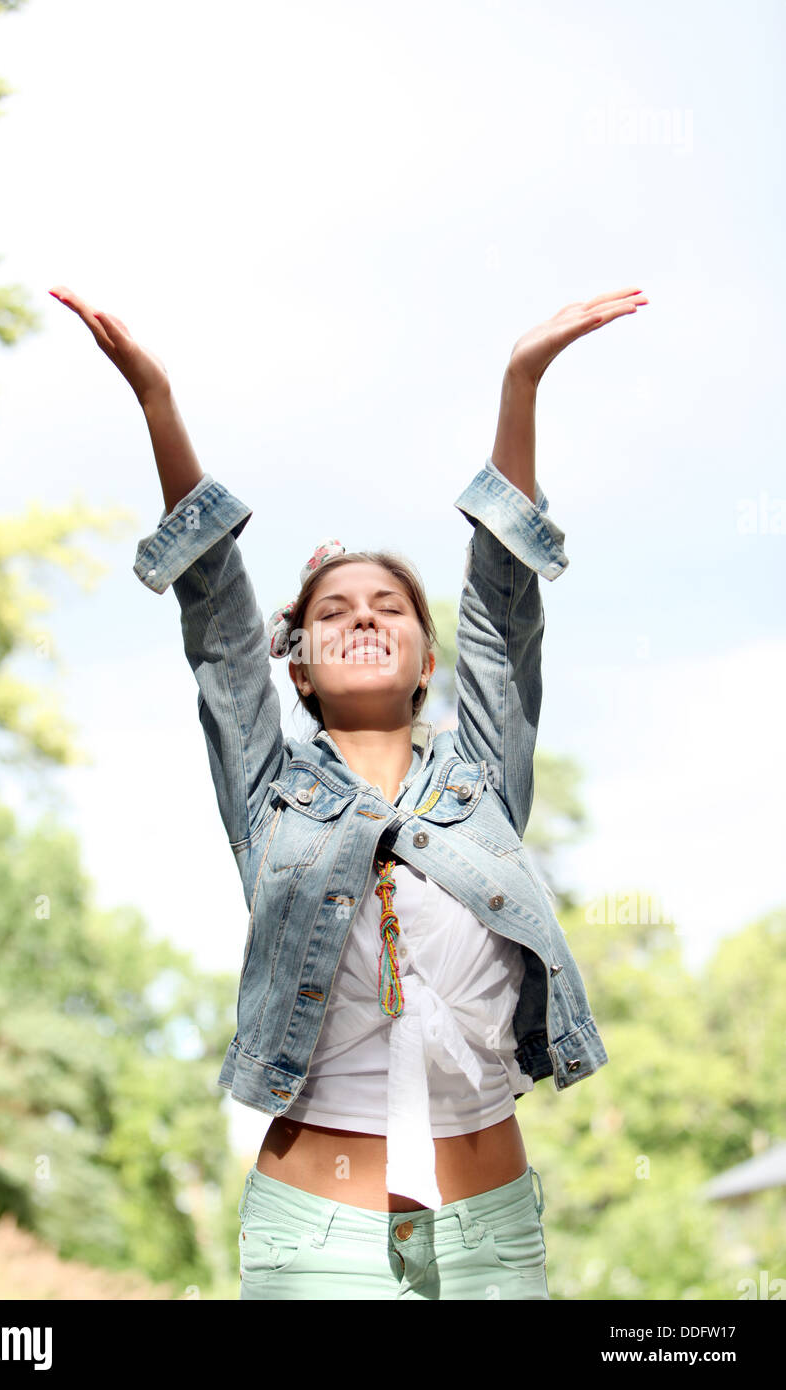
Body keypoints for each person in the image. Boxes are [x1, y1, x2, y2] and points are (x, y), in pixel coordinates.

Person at [50, 282, 648, 1300]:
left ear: (425, 655)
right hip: (315, 1241)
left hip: (490, 1238)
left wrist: (522, 377)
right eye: (332, 611)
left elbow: (505, 609)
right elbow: (220, 621)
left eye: (389, 606)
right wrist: (157, 401)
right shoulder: (272, 789)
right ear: (299, 665)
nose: (362, 617)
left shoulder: (482, 782)